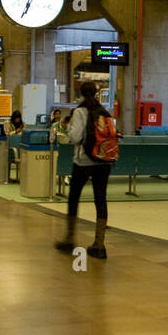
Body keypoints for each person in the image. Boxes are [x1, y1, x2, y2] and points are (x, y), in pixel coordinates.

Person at [54, 81, 113, 259]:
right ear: (96, 93)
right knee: (100, 199)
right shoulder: (104, 111)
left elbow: (76, 137)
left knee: (74, 198)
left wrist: (70, 127)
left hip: (84, 161)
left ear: (81, 93)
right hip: (103, 161)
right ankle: (99, 244)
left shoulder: (80, 111)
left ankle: (70, 238)